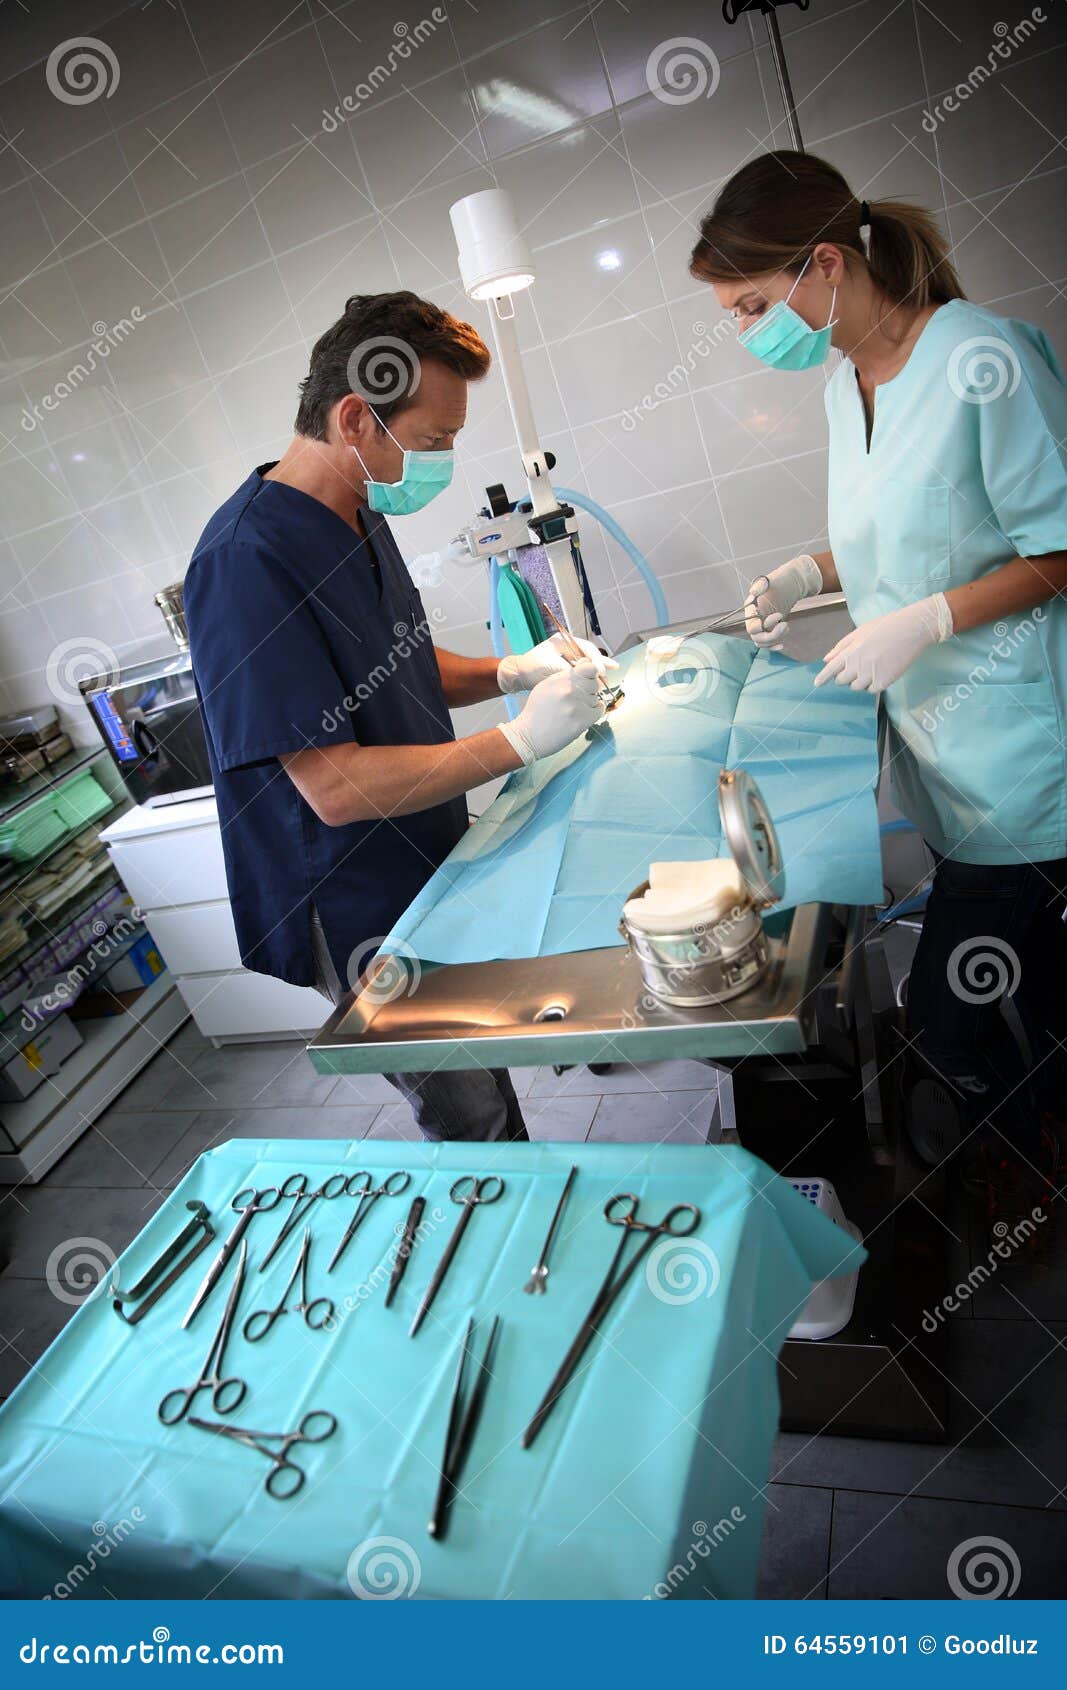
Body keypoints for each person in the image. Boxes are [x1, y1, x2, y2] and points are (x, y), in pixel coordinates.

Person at [689, 151, 1067, 1219]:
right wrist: (814, 572)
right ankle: (1031, 1150)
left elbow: (1058, 543)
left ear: (822, 265)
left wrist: (933, 617)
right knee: (1026, 992)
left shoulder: (978, 359)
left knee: (953, 1020)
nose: (745, 330)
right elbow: (905, 535)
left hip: (1029, 762)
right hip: (945, 757)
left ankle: (1010, 1201)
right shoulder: (840, 385)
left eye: (751, 305)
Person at [184, 291, 613, 1143]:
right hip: (347, 895)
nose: (446, 458)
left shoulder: (356, 513)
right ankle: (504, 1259)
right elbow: (335, 788)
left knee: (481, 1073)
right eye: (433, 439)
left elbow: (403, 667)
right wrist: (522, 738)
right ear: (354, 417)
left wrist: (509, 669)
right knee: (470, 1112)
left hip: (414, 856)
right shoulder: (244, 563)